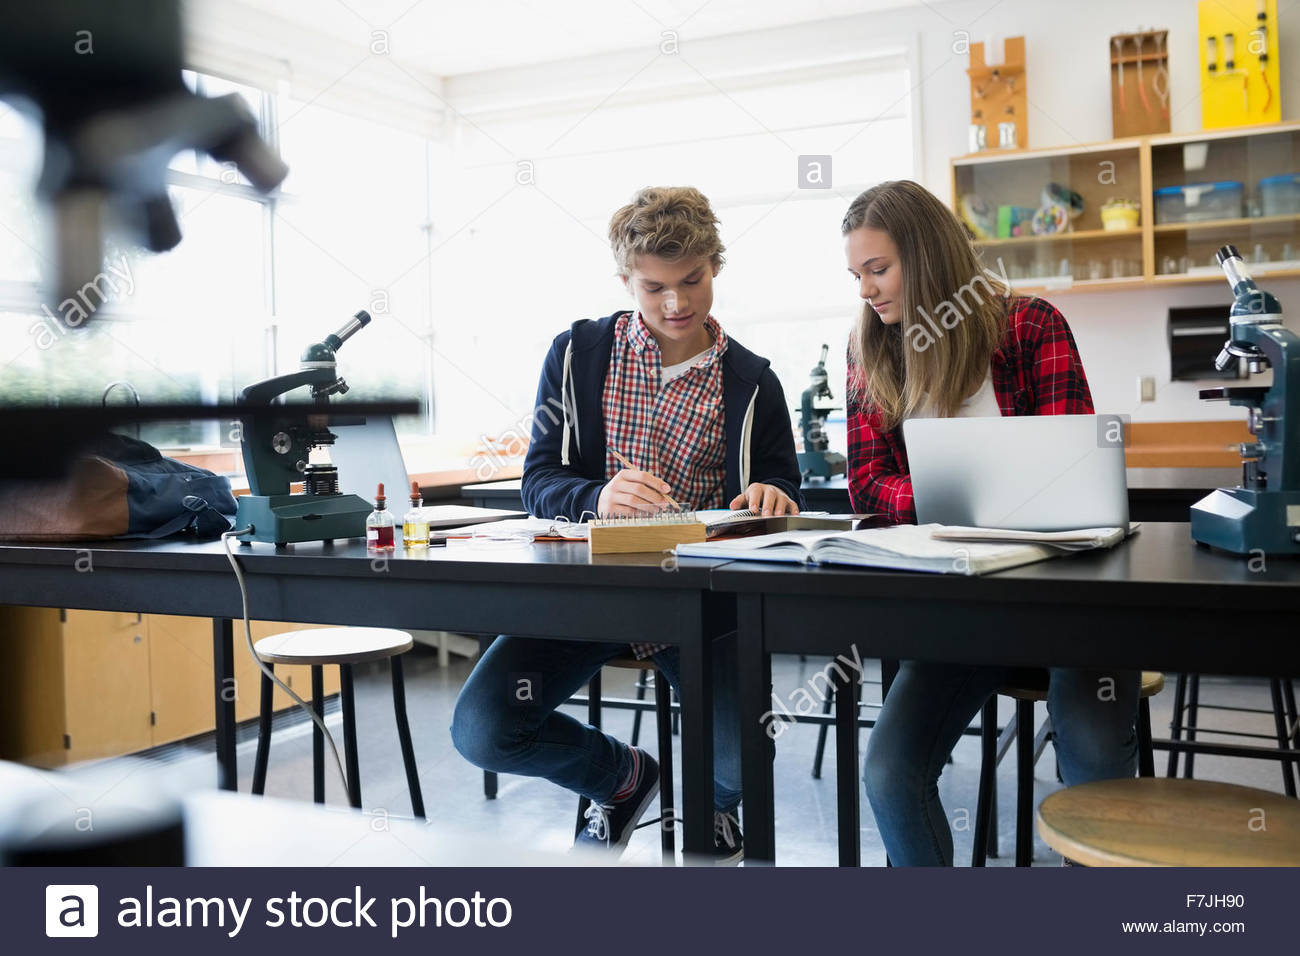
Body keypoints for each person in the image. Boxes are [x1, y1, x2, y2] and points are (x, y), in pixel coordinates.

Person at [451, 185, 802, 863]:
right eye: (655, 288)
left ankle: (711, 811)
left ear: (715, 266)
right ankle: (621, 779)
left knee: (737, 760)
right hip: (590, 595)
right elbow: (539, 481)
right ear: (625, 282)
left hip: (704, 606)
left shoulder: (754, 381)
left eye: (693, 281)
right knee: (484, 730)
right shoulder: (579, 355)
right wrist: (596, 497)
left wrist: (770, 493)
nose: (677, 304)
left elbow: (784, 484)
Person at [841, 179, 1138, 866]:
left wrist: (944, 496)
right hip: (964, 608)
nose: (866, 290)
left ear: (928, 256)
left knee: (1092, 762)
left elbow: (1074, 476)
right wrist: (948, 498)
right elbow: (865, 484)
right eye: (856, 274)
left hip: (1073, 601)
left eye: (878, 269)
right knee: (889, 771)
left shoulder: (1031, 326)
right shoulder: (872, 352)